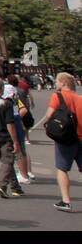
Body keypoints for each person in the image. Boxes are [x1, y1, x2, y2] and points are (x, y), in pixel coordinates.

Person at [45, 72, 82, 212]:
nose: (55, 84)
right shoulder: (79, 98)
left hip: (66, 138)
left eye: (57, 81)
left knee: (62, 169)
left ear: (63, 83)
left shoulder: (58, 96)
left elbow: (49, 115)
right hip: (81, 137)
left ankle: (66, 201)